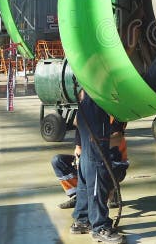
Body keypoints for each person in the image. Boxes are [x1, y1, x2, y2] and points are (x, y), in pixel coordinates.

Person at [71, 89, 126, 244]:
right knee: (96, 170)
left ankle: (82, 220)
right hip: (96, 108)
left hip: (87, 107)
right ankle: (99, 227)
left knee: (87, 168)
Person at [50, 129, 82, 209]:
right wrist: (78, 148)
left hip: (106, 158)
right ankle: (78, 196)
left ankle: (112, 194)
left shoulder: (112, 119)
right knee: (57, 161)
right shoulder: (85, 119)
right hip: (87, 155)